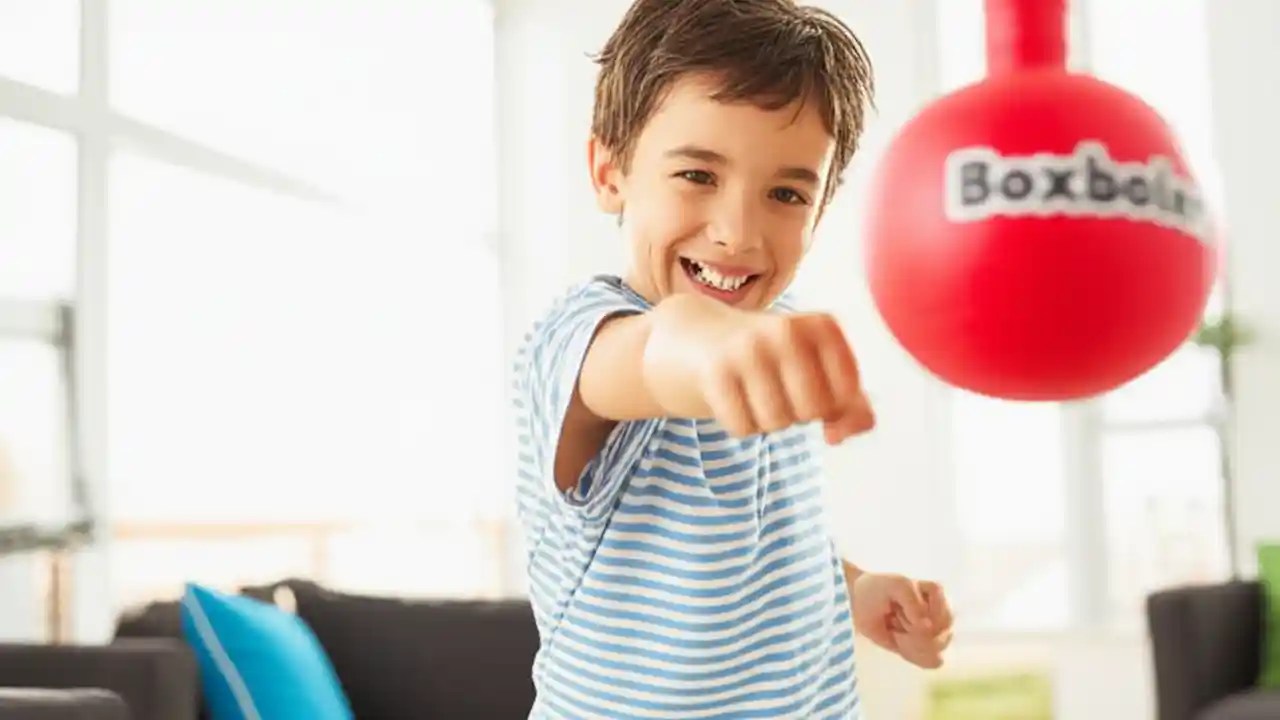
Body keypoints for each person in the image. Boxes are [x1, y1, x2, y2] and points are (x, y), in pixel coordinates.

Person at [511, 0, 954, 717]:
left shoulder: (768, 345)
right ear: (610, 171)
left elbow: (763, 557)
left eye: (785, 193)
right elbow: (660, 350)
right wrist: (714, 341)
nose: (738, 232)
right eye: (697, 175)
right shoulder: (583, 341)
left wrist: (855, 591)